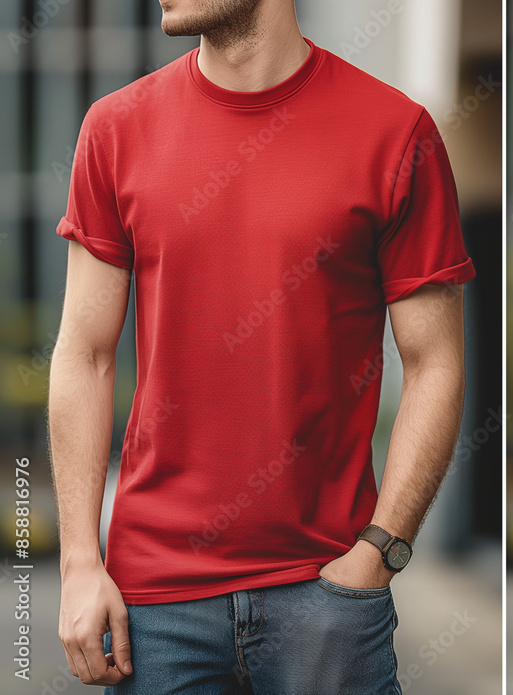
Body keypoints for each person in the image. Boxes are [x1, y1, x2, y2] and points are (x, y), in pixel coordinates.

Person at [47, 0, 474, 692]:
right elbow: (84, 354)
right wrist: (77, 564)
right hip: (156, 604)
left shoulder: (396, 133)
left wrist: (380, 551)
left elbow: (435, 363)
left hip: (328, 596)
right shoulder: (115, 128)